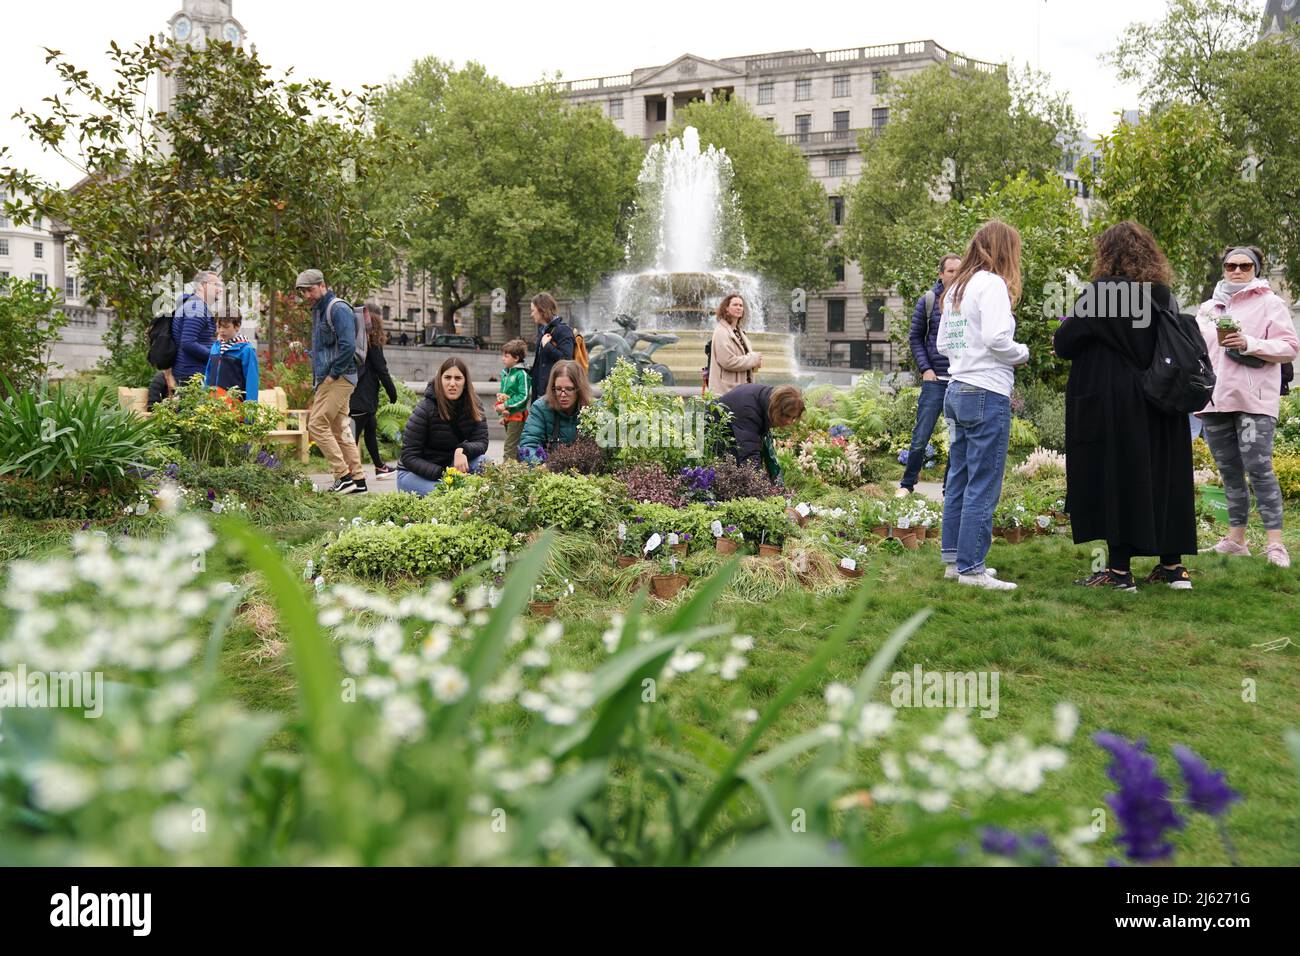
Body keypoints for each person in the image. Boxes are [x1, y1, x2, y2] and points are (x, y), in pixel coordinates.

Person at [1054, 221, 1197, 591]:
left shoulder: (1103, 293)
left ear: (1107, 254)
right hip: (1162, 399)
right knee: (1164, 477)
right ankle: (1173, 567)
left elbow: (1065, 342)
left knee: (1116, 476)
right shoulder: (1162, 293)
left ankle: (1119, 572)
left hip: (1115, 402)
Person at [936, 221, 1030, 591]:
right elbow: (997, 338)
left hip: (956, 389)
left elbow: (944, 343)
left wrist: (967, 355)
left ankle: (954, 559)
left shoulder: (957, 286)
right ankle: (971, 568)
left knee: (958, 478)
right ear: (1005, 250)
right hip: (986, 391)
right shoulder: (991, 284)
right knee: (983, 483)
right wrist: (1022, 353)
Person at [1194, 245, 1299, 568]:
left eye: (1244, 266)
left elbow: (1290, 347)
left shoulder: (1271, 303)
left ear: (1256, 269)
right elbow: (1197, 349)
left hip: (1254, 400)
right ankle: (1236, 540)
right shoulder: (1208, 308)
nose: (1237, 271)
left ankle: (1275, 543)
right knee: (1229, 471)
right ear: (1223, 268)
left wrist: (1250, 343)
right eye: (1230, 266)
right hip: (1216, 400)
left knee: (1259, 467)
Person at [297, 268, 366, 494]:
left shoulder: (337, 308)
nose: (306, 295)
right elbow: (327, 348)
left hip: (339, 378)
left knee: (316, 424)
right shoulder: (319, 311)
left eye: (309, 289)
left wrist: (332, 374)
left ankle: (342, 476)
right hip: (332, 377)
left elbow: (347, 346)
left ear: (322, 285)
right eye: (303, 291)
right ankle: (358, 480)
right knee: (339, 428)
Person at [898, 254, 961, 497]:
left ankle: (949, 490)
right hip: (935, 380)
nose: (955, 275)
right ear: (941, 274)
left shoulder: (968, 300)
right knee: (921, 436)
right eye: (951, 271)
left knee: (956, 440)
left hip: (959, 380)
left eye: (959, 270)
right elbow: (915, 337)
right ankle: (906, 485)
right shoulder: (929, 300)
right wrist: (926, 369)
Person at [397, 357, 489, 494]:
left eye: (458, 378)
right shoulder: (424, 409)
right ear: (440, 380)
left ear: (465, 382)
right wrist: (445, 474)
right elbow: (409, 457)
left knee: (485, 462)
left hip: (449, 467)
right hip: (414, 474)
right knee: (448, 495)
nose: (452, 383)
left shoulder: (475, 405)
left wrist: (462, 450)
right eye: (447, 378)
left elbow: (481, 441)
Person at [716, 383, 806, 481]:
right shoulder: (749, 412)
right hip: (712, 430)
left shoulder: (769, 399)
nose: (789, 422)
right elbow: (749, 454)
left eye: (793, 417)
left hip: (730, 426)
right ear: (777, 409)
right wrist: (760, 486)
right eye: (787, 416)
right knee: (729, 469)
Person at [350, 303, 399, 478]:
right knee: (352, 436)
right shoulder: (372, 341)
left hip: (358, 392)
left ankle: (379, 467)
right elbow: (382, 369)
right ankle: (348, 475)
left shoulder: (358, 339)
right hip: (363, 394)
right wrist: (392, 393)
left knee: (370, 427)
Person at [518, 360, 591, 462]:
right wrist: (540, 466)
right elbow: (528, 446)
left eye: (569, 389)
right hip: (548, 470)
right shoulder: (541, 408)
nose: (563, 394)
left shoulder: (593, 410)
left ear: (579, 388)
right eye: (558, 389)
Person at [171, 270, 222, 389]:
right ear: (201, 286)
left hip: (192, 373)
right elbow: (188, 343)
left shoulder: (196, 305)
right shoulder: (196, 308)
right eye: (215, 285)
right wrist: (215, 355)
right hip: (191, 375)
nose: (219, 290)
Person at [708, 293, 763, 398]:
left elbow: (745, 356)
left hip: (743, 389)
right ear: (726, 309)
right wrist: (753, 359)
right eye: (735, 305)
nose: (739, 308)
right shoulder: (721, 331)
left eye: (741, 305)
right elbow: (728, 361)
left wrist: (755, 361)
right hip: (727, 391)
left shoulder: (739, 331)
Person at [203, 307, 259, 403]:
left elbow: (252, 382)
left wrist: (250, 414)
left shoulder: (246, 350)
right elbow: (208, 376)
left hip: (234, 408)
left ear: (237, 326)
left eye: (226, 327)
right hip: (212, 406)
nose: (221, 330)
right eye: (219, 327)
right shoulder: (215, 347)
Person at [530, 292, 575, 401]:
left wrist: (547, 346)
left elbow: (566, 359)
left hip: (555, 396)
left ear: (542, 310)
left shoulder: (563, 330)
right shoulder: (543, 332)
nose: (531, 314)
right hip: (541, 395)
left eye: (533, 310)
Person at [495, 338, 531, 463]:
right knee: (514, 445)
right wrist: (501, 413)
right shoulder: (506, 374)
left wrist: (505, 405)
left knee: (510, 447)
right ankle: (517, 469)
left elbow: (524, 396)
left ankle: (507, 472)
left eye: (506, 356)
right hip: (508, 416)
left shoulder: (522, 374)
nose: (502, 358)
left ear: (516, 358)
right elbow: (503, 395)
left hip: (517, 416)